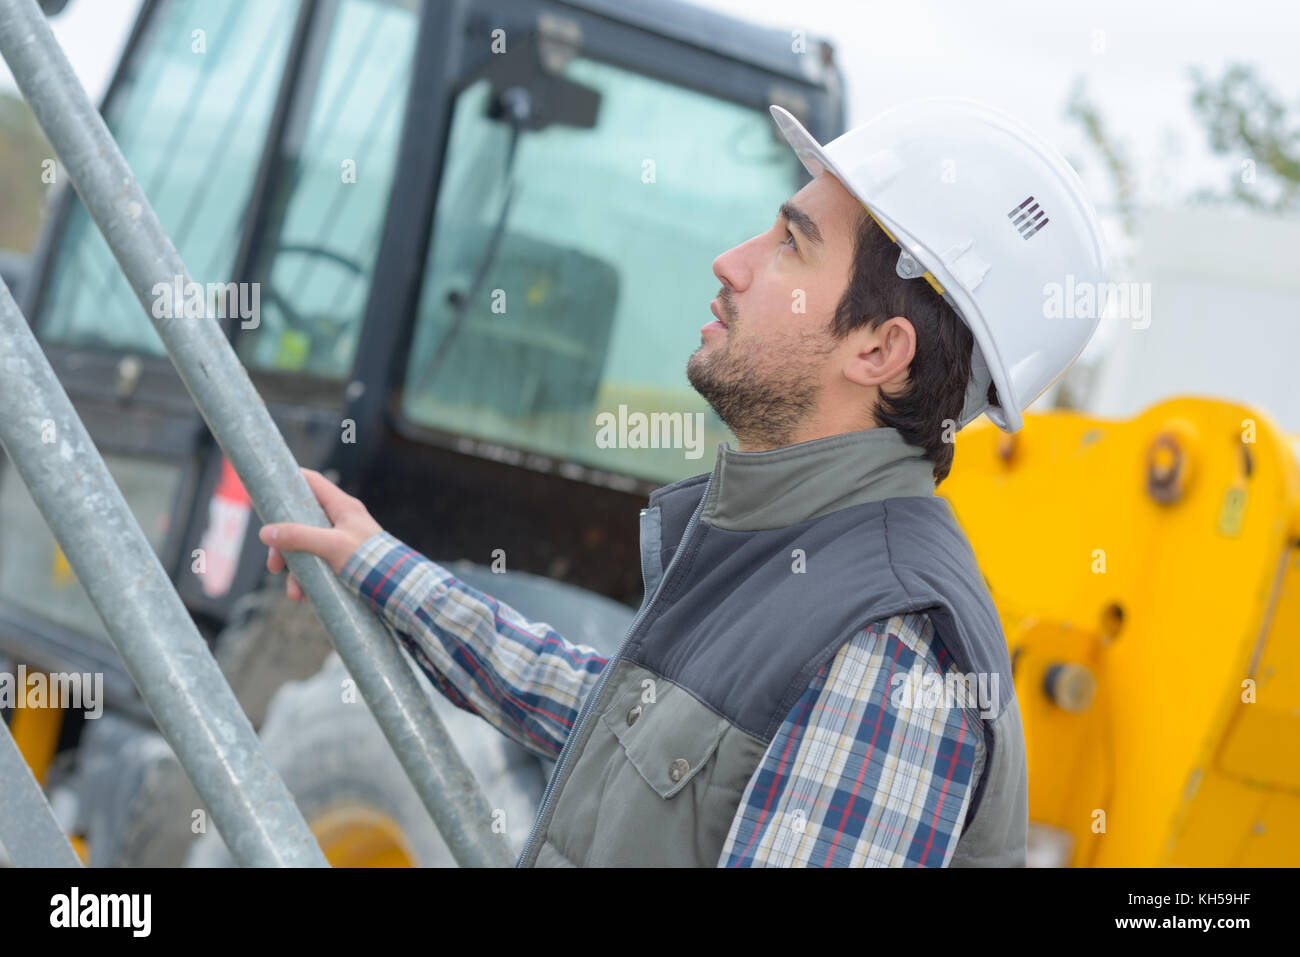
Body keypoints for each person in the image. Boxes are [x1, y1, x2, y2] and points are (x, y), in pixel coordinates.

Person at [259, 98, 1107, 866]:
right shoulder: (793, 556)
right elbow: (621, 731)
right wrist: (380, 565)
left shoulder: (885, 647)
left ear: (878, 351)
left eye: (789, 246)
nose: (732, 263)